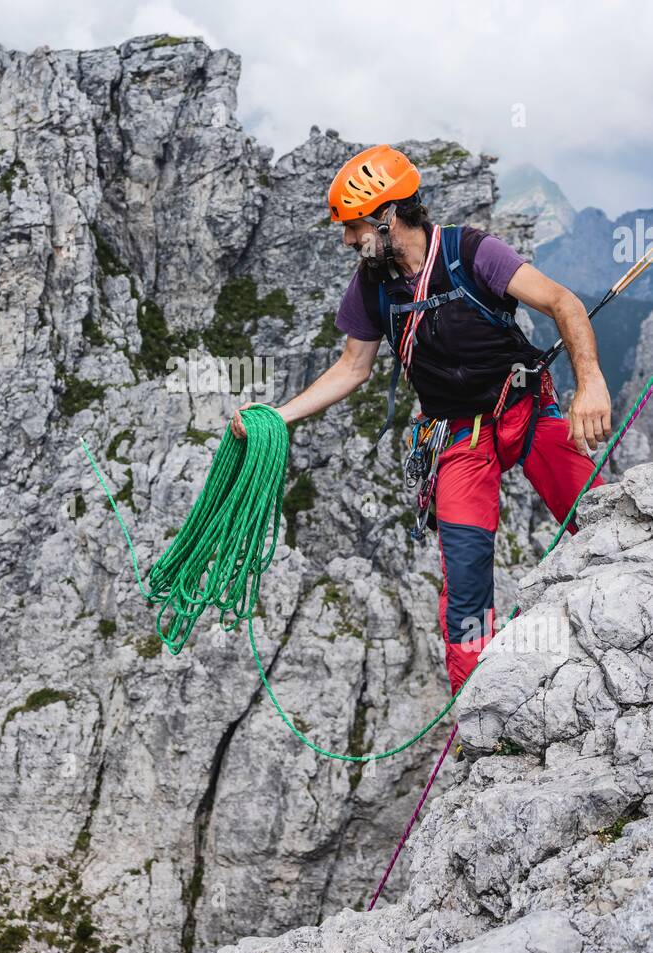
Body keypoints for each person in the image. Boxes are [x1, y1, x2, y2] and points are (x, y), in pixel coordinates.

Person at [231, 144, 611, 700]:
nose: (348, 242)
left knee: (600, 525)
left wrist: (591, 383)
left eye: (354, 227)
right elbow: (351, 368)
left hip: (526, 414)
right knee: (465, 591)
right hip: (457, 440)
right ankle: (483, 713)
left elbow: (563, 302)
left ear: (387, 216)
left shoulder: (470, 252)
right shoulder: (372, 287)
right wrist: (278, 417)